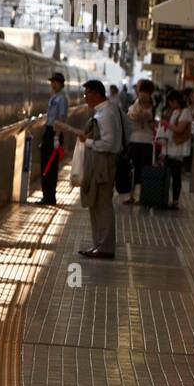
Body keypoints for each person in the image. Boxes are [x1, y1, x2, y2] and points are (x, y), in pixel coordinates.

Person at [56, 79, 122, 259]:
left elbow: (108, 144)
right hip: (99, 164)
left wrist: (89, 141)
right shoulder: (103, 112)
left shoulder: (106, 114)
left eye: (87, 94)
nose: (85, 97)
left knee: (102, 205)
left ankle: (105, 247)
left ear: (96, 94)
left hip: (103, 165)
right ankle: (99, 244)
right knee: (96, 204)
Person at [33, 71, 68, 206]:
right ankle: (46, 196)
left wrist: (57, 137)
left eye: (56, 82)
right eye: (52, 82)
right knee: (45, 165)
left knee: (50, 167)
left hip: (54, 133)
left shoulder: (61, 99)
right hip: (49, 132)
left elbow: (61, 118)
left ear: (61, 84)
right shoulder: (53, 97)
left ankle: (50, 197)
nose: (53, 84)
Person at [124, 79, 156, 205]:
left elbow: (155, 126)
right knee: (132, 169)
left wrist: (149, 120)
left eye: (145, 91)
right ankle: (131, 195)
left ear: (150, 93)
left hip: (147, 141)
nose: (142, 93)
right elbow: (129, 118)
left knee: (144, 170)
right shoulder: (134, 103)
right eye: (140, 90)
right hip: (134, 140)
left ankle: (142, 196)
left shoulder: (154, 106)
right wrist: (136, 116)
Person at [163, 89, 193, 208]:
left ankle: (175, 201)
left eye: (172, 102)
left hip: (178, 149)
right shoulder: (175, 111)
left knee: (176, 175)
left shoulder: (185, 112)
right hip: (169, 147)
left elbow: (180, 129)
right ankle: (166, 198)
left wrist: (167, 125)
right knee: (168, 174)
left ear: (177, 100)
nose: (170, 104)